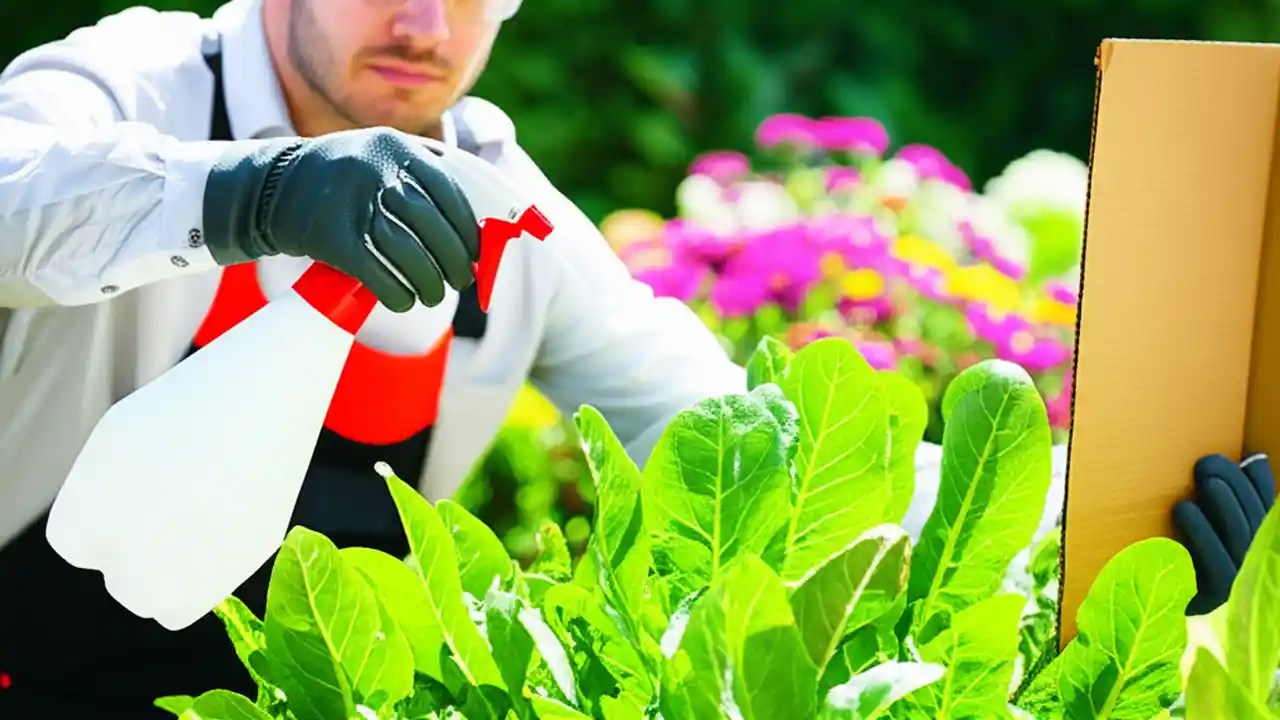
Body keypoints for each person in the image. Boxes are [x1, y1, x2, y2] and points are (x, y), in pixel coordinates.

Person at [0, 0, 1245, 716]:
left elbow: (735, 441)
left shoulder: (504, 212)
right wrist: (255, 194)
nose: (425, 24)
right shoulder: (135, 87)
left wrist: (1097, 532)